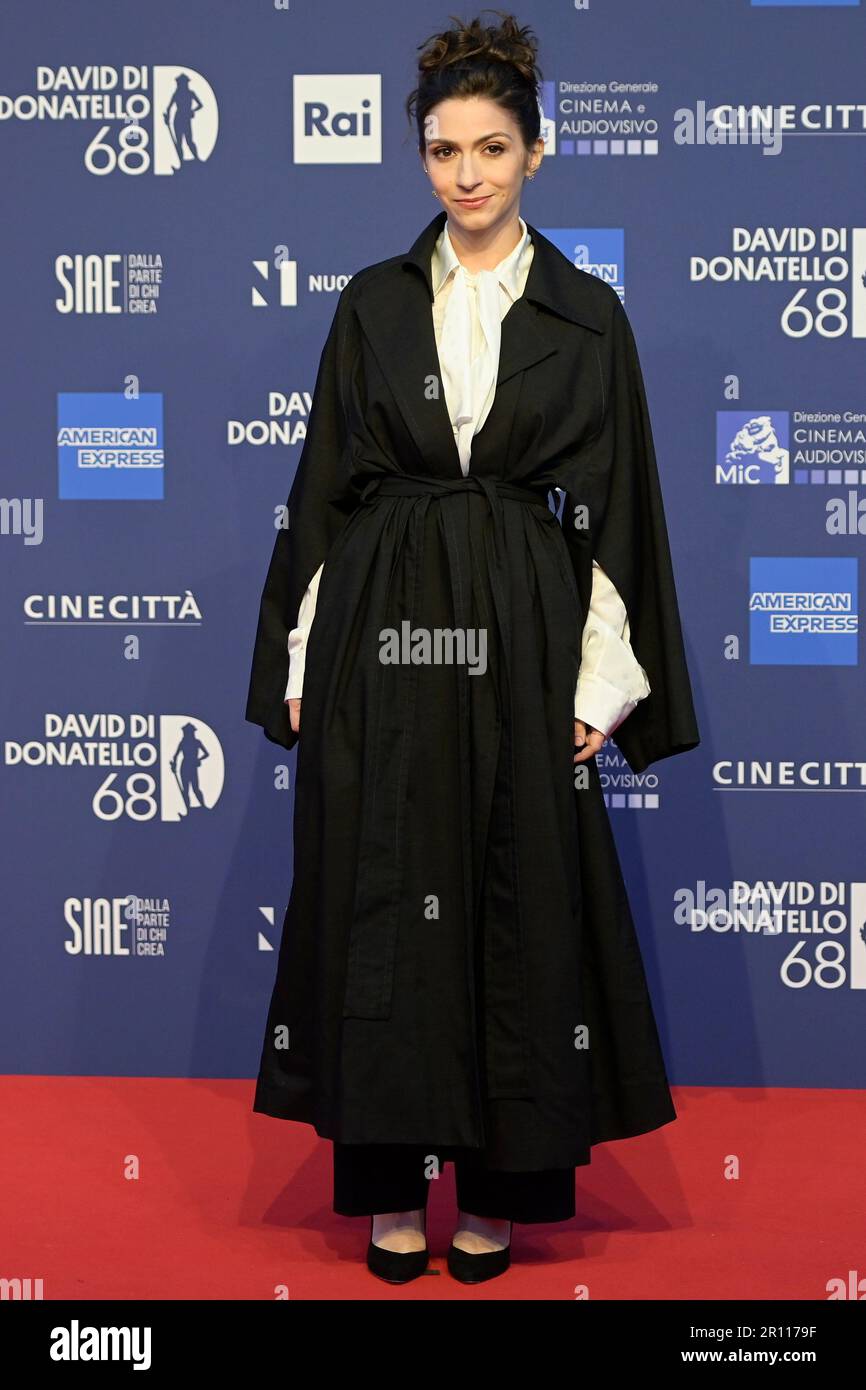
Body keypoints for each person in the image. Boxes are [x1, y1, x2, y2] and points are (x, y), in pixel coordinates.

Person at [245, 10, 700, 1286]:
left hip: (523, 642)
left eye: (491, 148)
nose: (466, 174)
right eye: (443, 149)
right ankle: (388, 1188)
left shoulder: (587, 315)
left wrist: (604, 687)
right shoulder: (370, 306)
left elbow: (621, 511)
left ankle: (501, 1193)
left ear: (536, 152)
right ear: (420, 156)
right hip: (379, 642)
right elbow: (324, 495)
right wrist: (294, 665)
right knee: (381, 897)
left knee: (519, 901)